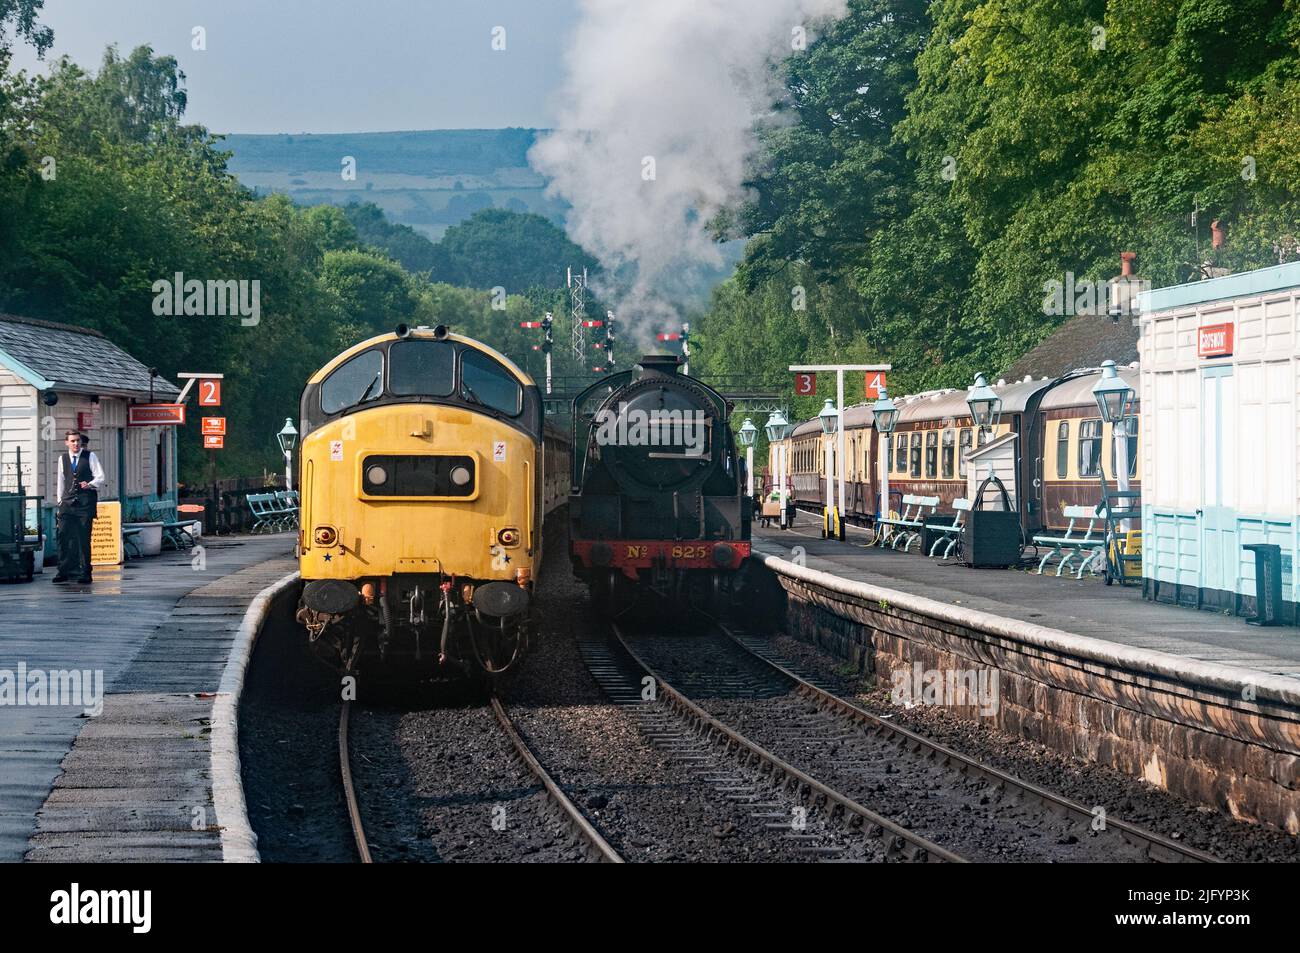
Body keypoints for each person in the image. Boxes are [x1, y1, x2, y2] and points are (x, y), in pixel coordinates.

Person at [53, 430, 105, 584]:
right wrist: (60, 501)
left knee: (83, 537)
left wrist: (89, 484)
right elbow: (61, 481)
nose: (76, 444)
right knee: (62, 535)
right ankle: (63, 571)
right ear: (67, 442)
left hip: (85, 503)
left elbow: (100, 476)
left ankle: (85, 572)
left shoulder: (90, 456)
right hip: (67, 503)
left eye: (77, 441)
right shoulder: (62, 458)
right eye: (73, 441)